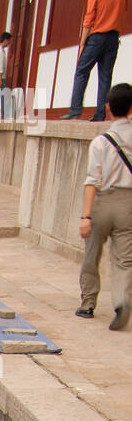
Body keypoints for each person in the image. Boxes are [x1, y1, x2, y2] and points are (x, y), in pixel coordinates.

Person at [77, 83, 132, 330]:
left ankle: (88, 303)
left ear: (108, 109)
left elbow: (92, 181)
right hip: (128, 204)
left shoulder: (101, 142)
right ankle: (121, 302)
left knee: (92, 254)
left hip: (103, 202)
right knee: (124, 260)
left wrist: (86, 216)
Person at [62, 0, 128, 123]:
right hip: (113, 38)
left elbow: (88, 20)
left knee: (81, 72)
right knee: (105, 77)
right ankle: (100, 114)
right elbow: (123, 10)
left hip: (96, 37)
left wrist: (82, 44)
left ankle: (75, 111)